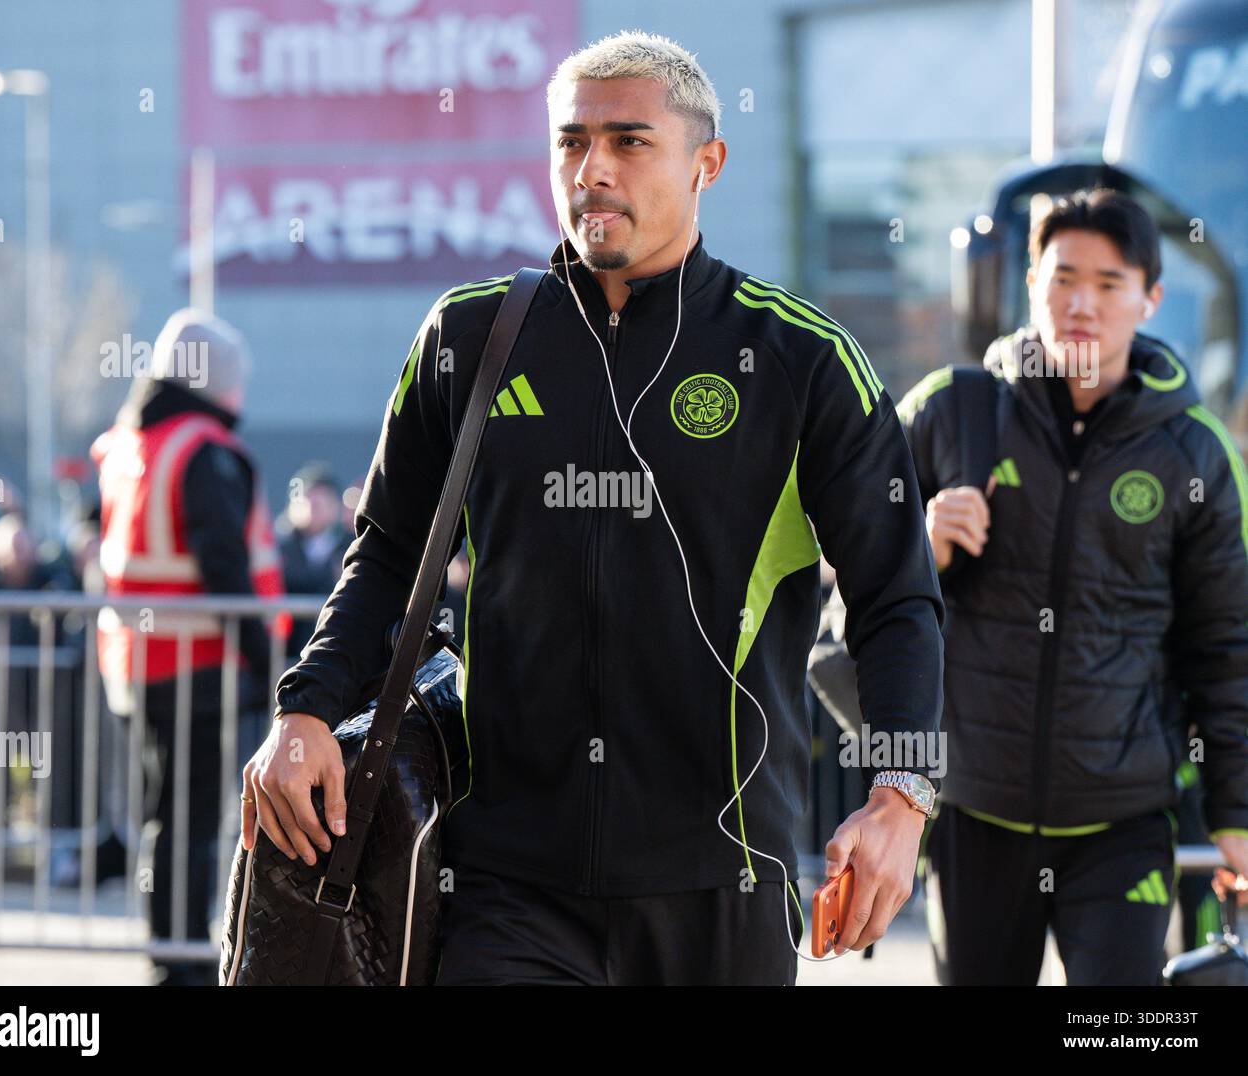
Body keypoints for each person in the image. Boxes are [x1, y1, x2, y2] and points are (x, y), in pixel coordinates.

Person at [245, 30, 945, 986]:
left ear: (708, 163)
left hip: (726, 884)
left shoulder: (799, 358)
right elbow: (389, 550)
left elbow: (897, 596)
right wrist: (308, 709)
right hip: (505, 887)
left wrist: (902, 792)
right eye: (571, 143)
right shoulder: (470, 336)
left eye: (629, 141)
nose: (593, 170)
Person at [897, 188, 1248, 985]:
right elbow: (852, 598)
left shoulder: (1194, 453)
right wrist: (920, 550)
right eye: (1061, 278)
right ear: (1030, 284)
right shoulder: (951, 412)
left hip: (1124, 820)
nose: (1081, 303)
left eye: (1109, 282)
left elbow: (1224, 645)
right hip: (973, 808)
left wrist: (1236, 813)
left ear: (1150, 298)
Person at [91, 308, 285, 985]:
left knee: (162, 816)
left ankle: (167, 949)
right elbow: (224, 565)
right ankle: (183, 960)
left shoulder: (129, 442)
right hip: (198, 665)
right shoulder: (201, 448)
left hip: (136, 663)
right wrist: (270, 662)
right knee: (193, 821)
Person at [275, 462, 351, 661]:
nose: (313, 504)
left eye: (323, 497)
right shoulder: (279, 549)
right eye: (307, 496)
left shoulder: (352, 547)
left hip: (336, 650)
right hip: (287, 652)